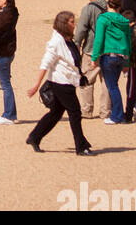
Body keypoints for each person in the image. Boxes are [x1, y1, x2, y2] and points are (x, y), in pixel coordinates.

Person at [26, 10, 93, 156]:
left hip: (68, 81)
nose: (74, 24)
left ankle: (34, 137)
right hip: (60, 83)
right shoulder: (56, 42)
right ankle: (81, 147)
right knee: (75, 112)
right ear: (64, 24)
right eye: (71, 22)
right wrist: (36, 85)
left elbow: (73, 60)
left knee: (56, 113)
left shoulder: (68, 39)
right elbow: (45, 63)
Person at [91, 0, 131, 124]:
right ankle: (118, 113)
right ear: (120, 7)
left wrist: (94, 57)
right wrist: (127, 61)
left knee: (112, 87)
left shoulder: (103, 18)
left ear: (108, 5)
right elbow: (128, 41)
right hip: (121, 55)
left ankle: (117, 116)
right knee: (114, 86)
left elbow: (99, 39)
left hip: (109, 56)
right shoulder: (124, 21)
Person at [74, 0, 111, 122]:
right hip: (109, 49)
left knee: (87, 80)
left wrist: (77, 43)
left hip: (91, 49)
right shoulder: (110, 7)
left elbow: (81, 28)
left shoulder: (89, 8)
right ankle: (105, 111)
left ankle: (87, 110)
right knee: (107, 82)